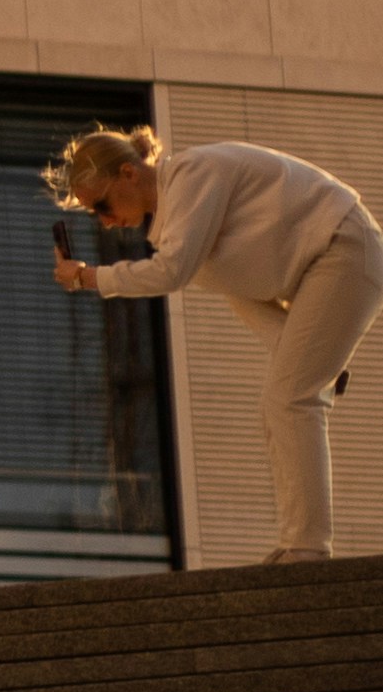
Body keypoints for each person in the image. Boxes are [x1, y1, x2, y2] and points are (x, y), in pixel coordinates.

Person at [46, 119, 383, 566]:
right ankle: (300, 544)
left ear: (129, 172)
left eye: (102, 205)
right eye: (94, 215)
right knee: (281, 403)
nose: (106, 223)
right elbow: (247, 296)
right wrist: (306, 354)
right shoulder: (180, 230)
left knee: (289, 400)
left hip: (344, 246)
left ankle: (307, 549)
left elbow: (170, 272)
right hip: (327, 263)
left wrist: (89, 276)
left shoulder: (192, 175)